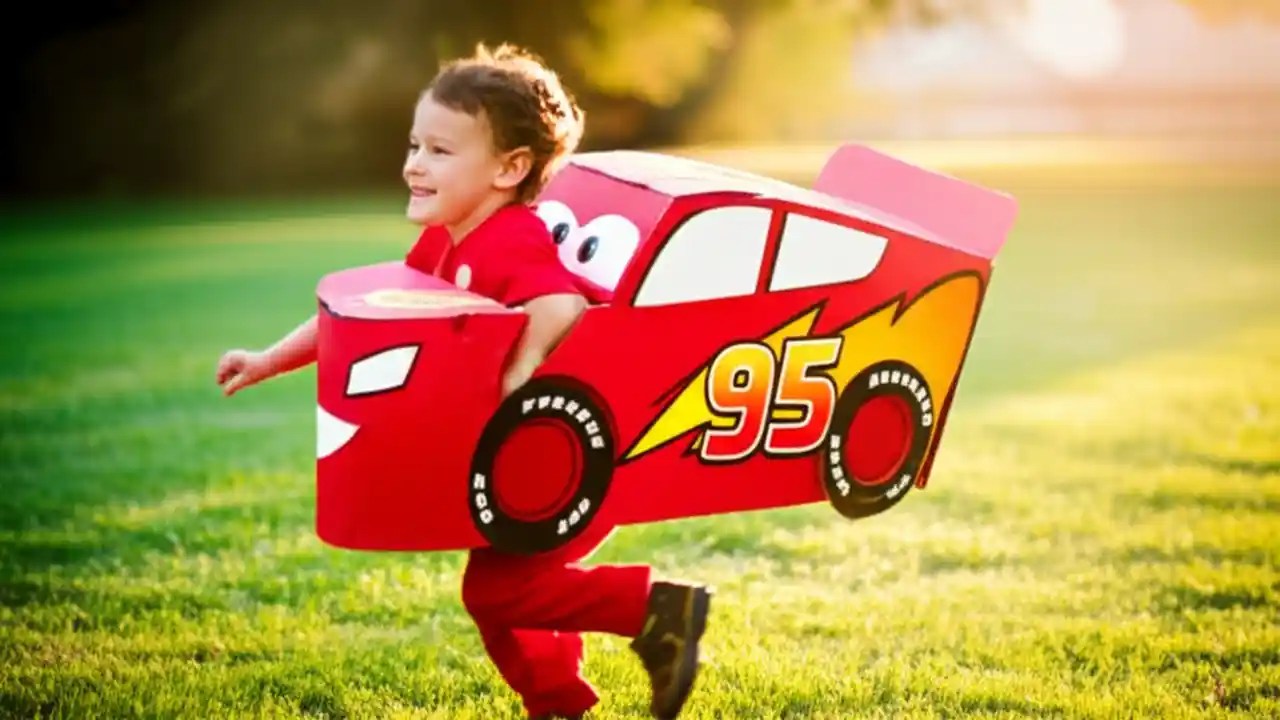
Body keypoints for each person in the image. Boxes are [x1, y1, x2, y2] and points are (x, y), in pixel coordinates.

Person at [215, 43, 711, 720]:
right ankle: (563, 700)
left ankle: (657, 609)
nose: (414, 164)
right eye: (415, 144)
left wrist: (521, 366)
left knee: (497, 594)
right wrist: (270, 358)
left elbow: (560, 304)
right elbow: (367, 314)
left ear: (510, 168)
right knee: (510, 593)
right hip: (510, 463)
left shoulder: (511, 239)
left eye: (440, 151)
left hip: (563, 457)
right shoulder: (445, 240)